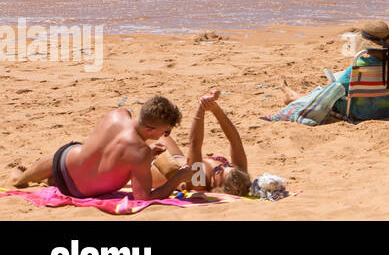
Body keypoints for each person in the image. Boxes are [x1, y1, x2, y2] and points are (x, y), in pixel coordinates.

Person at [8, 96, 197, 200]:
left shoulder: (118, 114)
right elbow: (143, 197)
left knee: (75, 150)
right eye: (165, 132)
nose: (164, 136)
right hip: (80, 192)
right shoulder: (140, 154)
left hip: (63, 163)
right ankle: (48, 181)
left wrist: (144, 151)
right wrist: (176, 180)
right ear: (149, 129)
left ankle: (21, 179)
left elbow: (106, 149)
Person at [151, 89, 251, 196]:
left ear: (217, 187)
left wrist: (201, 110)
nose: (221, 166)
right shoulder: (239, 176)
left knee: (138, 135)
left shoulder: (198, 181)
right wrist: (215, 108)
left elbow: (194, 145)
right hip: (175, 156)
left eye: (220, 172)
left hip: (155, 168)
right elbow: (235, 140)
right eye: (227, 165)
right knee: (149, 125)